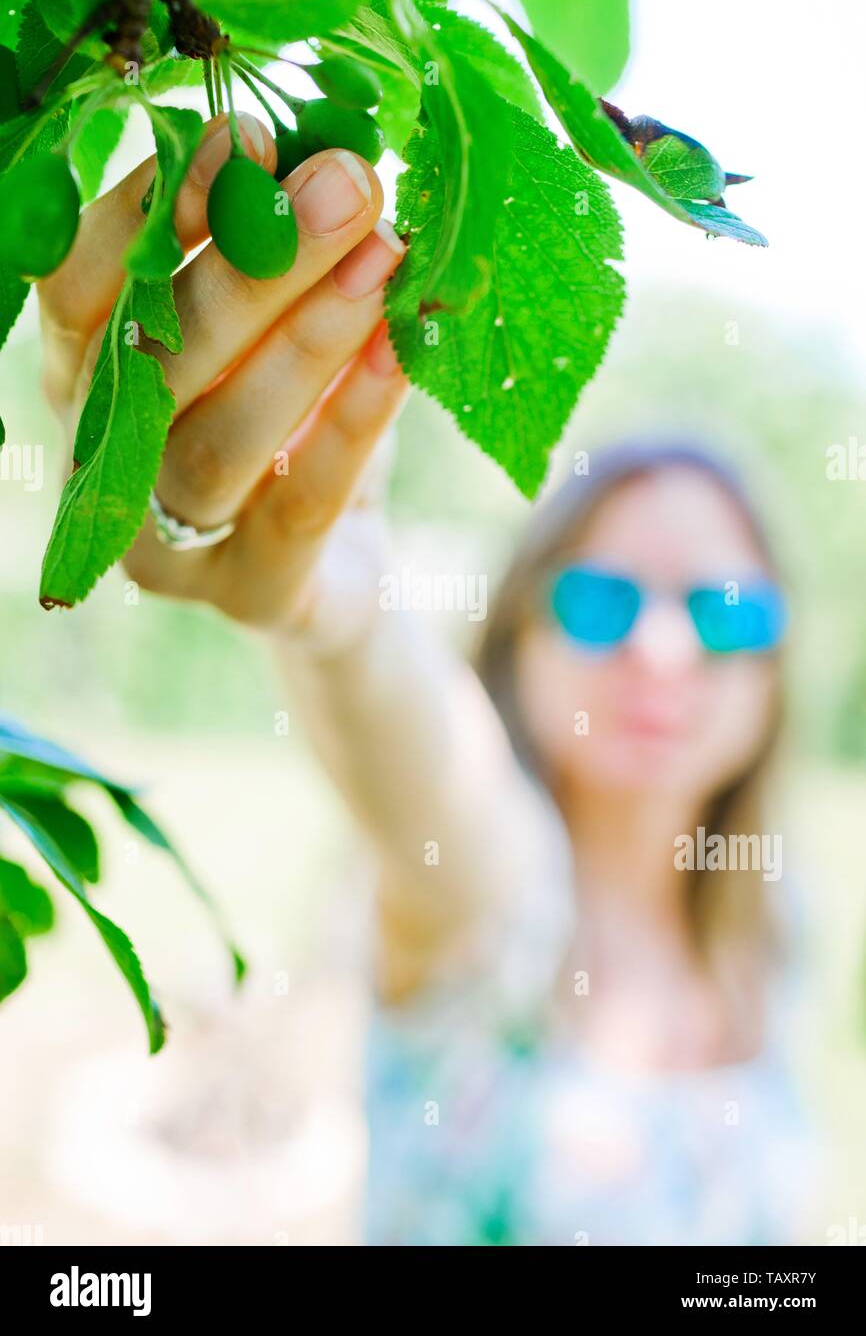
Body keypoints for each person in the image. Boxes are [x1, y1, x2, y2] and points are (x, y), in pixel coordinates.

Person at [39, 116, 818, 1245]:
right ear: (518, 640)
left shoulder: (774, 928)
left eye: (723, 611)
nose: (661, 651)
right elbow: (421, 762)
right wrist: (339, 617)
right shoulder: (487, 906)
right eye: (599, 604)